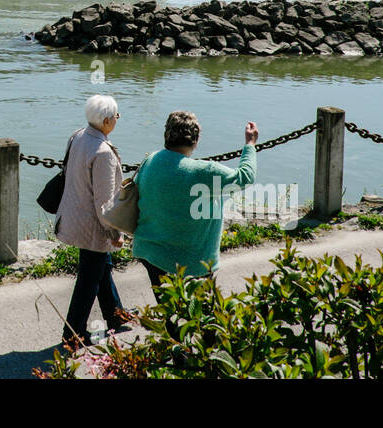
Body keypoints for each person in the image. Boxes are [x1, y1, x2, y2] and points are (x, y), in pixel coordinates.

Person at [132, 111, 257, 297]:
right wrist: (250, 145)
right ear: (196, 140)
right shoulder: (204, 172)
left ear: (167, 134)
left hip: (151, 253)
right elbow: (245, 177)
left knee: (168, 312)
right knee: (199, 317)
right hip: (193, 262)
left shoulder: (150, 160)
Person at [55, 94, 134, 349]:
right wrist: (115, 231)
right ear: (108, 120)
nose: (118, 120)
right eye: (117, 116)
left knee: (101, 267)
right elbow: (104, 202)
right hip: (93, 226)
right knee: (89, 279)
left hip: (73, 216)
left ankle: (115, 313)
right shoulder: (103, 153)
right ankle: (73, 334)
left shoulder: (78, 136)